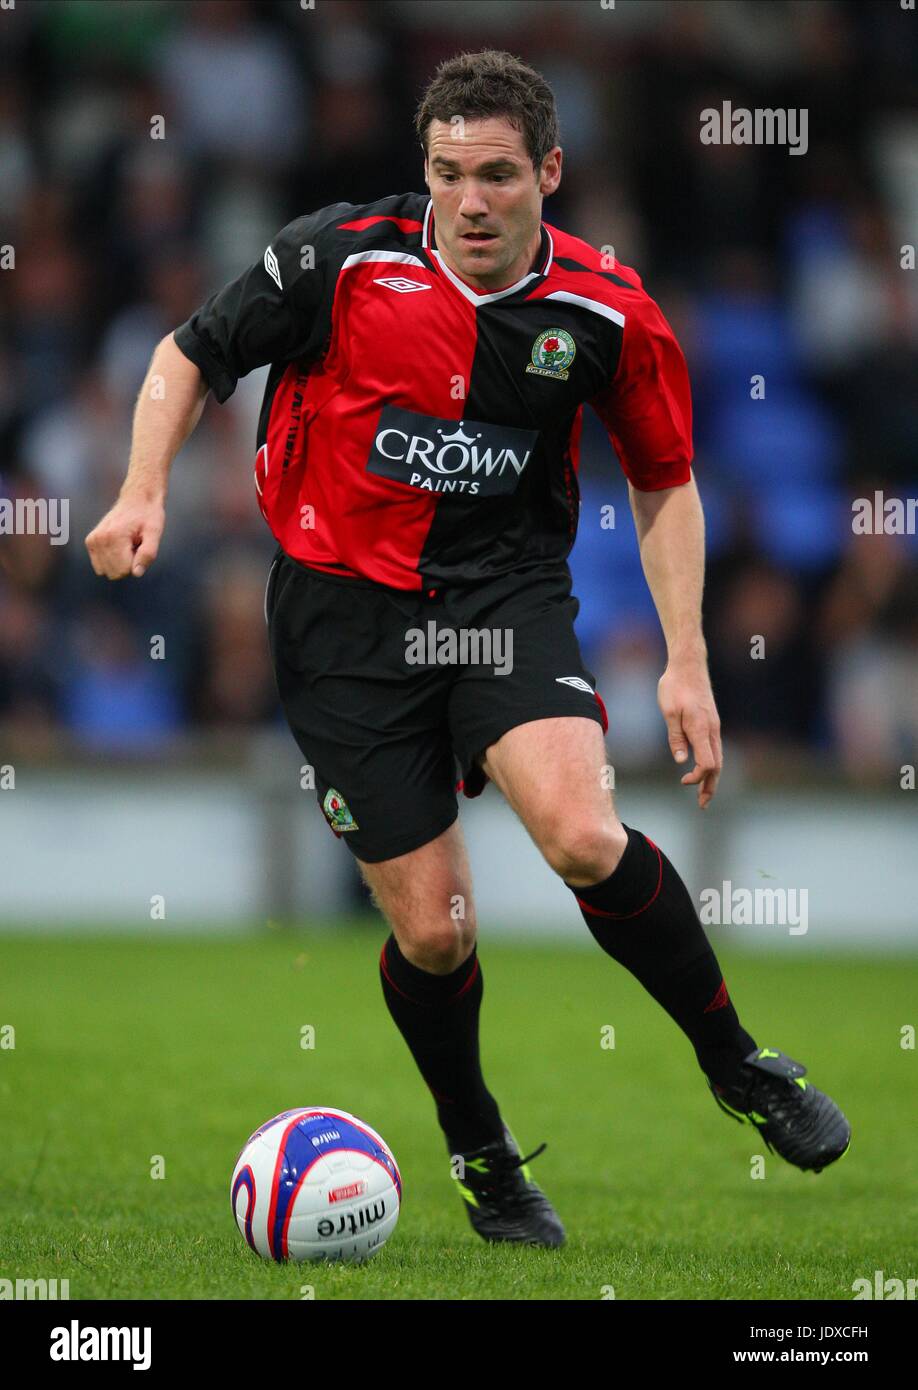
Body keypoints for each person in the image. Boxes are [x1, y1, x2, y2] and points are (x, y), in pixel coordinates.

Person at [86, 49, 850, 1248]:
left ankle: (740, 1063)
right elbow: (189, 355)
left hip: (502, 597)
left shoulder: (606, 311)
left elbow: (664, 481)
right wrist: (143, 491)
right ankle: (481, 1153)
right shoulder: (338, 259)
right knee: (435, 929)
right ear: (424, 172)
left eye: (498, 174)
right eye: (449, 174)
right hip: (340, 618)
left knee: (585, 833)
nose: (473, 201)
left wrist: (689, 659)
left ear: (548, 172)